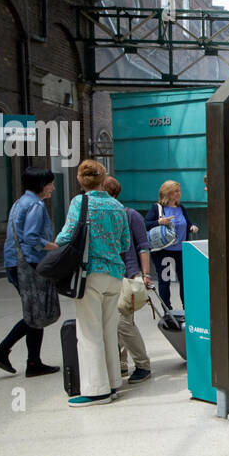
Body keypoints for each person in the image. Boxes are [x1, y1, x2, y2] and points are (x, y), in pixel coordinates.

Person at [55, 160, 131, 407]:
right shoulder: (117, 205)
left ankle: (96, 390)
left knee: (89, 332)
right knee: (109, 330)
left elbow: (65, 236)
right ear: (103, 178)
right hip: (115, 275)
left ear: (80, 180)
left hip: (91, 275)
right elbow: (125, 245)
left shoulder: (80, 203)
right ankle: (112, 384)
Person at [0, 167, 60, 376]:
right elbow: (31, 238)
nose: (53, 188)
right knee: (35, 314)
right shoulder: (36, 205)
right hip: (29, 265)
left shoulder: (20, 203)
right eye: (50, 184)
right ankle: (3, 350)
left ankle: (33, 362)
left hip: (15, 263)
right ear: (41, 185)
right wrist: (53, 247)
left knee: (34, 313)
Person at [104, 176, 152, 383]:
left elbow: (143, 245)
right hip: (109, 275)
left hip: (129, 275)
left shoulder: (131, 215)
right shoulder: (104, 216)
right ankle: (122, 364)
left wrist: (145, 274)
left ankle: (143, 365)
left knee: (123, 323)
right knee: (113, 322)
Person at [144, 180, 198, 310]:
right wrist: (159, 222)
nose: (179, 194)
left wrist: (192, 227)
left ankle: (187, 309)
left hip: (180, 250)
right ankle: (168, 310)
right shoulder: (157, 208)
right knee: (165, 281)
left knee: (184, 281)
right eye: (176, 191)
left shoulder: (181, 208)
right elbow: (145, 224)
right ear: (168, 193)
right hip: (163, 251)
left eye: (179, 191)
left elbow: (188, 223)